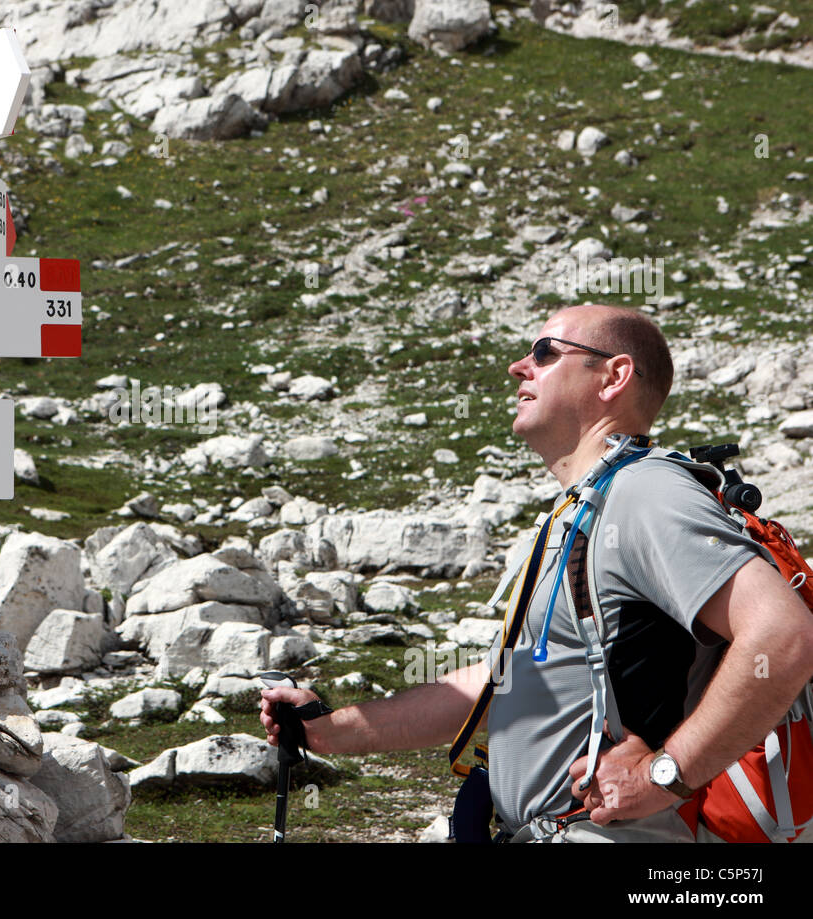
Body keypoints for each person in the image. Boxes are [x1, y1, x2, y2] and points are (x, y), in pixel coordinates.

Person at [260, 303, 813, 842]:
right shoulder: (585, 509)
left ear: (614, 376)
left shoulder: (646, 492)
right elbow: (511, 680)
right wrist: (330, 732)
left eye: (545, 352)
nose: (519, 366)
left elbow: (783, 635)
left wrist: (662, 775)